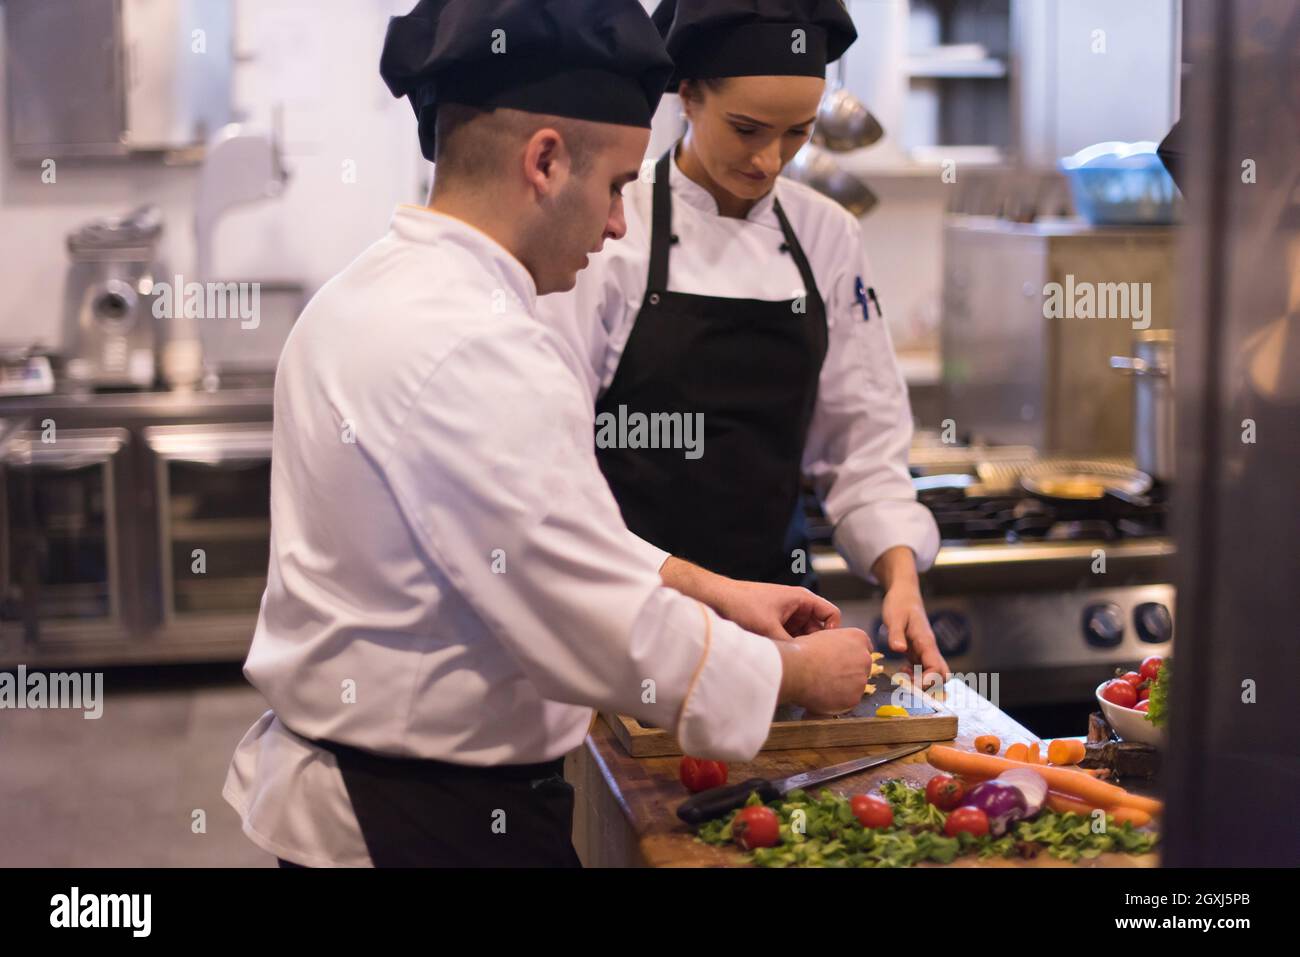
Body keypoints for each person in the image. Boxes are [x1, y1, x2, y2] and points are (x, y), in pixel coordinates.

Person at [222, 0, 875, 868]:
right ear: (544, 162)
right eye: (612, 187)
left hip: (385, 796)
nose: (615, 224)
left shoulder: (372, 290)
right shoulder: (477, 347)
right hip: (425, 821)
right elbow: (596, 619)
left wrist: (710, 587)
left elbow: (530, 538)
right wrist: (792, 676)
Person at [535, 0, 949, 683]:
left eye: (797, 134)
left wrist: (899, 575)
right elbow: (555, 452)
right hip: (630, 615)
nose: (768, 160)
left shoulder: (827, 235)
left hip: (781, 617)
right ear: (688, 96)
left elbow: (862, 445)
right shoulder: (615, 228)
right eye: (747, 128)